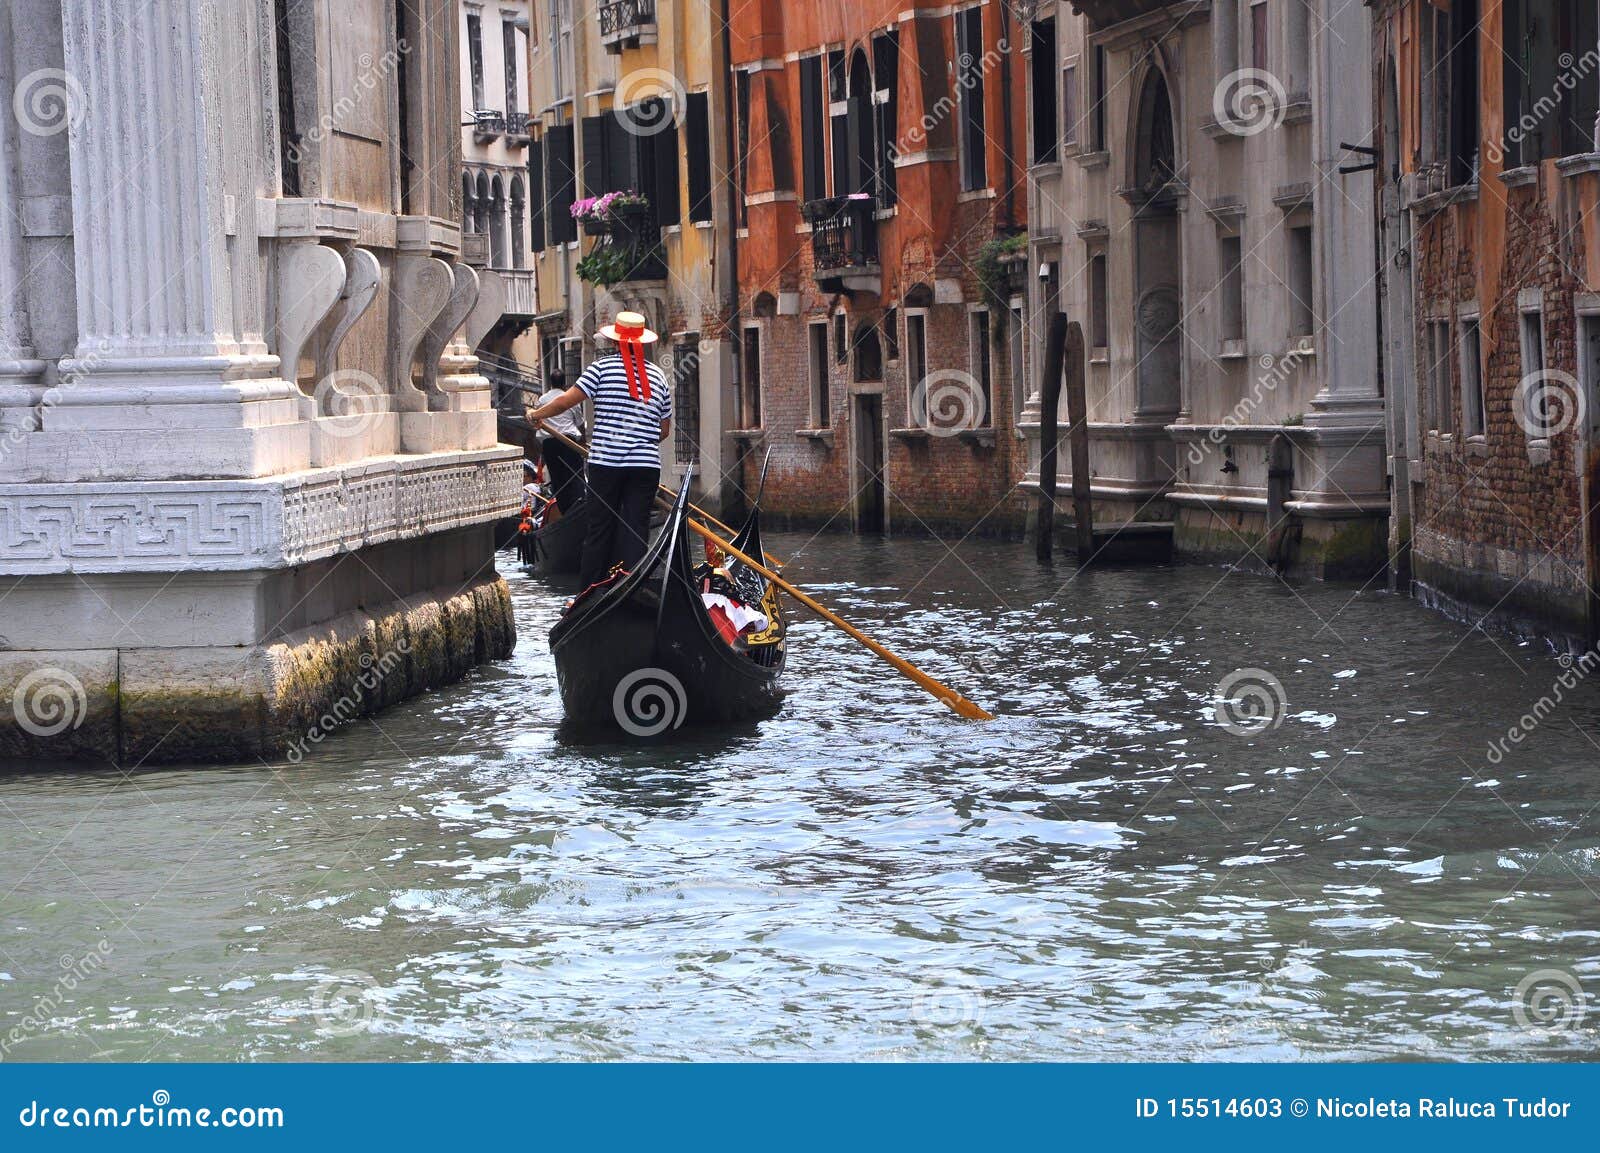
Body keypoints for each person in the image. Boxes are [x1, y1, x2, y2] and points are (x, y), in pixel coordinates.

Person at [526, 311, 672, 591]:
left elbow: (565, 402)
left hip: (606, 465)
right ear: (642, 343)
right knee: (636, 529)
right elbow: (663, 431)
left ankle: (588, 593)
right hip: (646, 467)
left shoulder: (600, 369)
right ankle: (632, 588)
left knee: (599, 530)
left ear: (616, 341)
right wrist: (638, 441)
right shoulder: (659, 377)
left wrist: (537, 414)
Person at [531, 369, 585, 513]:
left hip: (550, 444)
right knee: (575, 475)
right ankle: (578, 506)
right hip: (569, 442)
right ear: (564, 383)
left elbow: (537, 421)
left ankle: (565, 510)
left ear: (550, 383)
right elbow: (579, 422)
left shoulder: (542, 400)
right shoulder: (571, 399)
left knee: (557, 478)